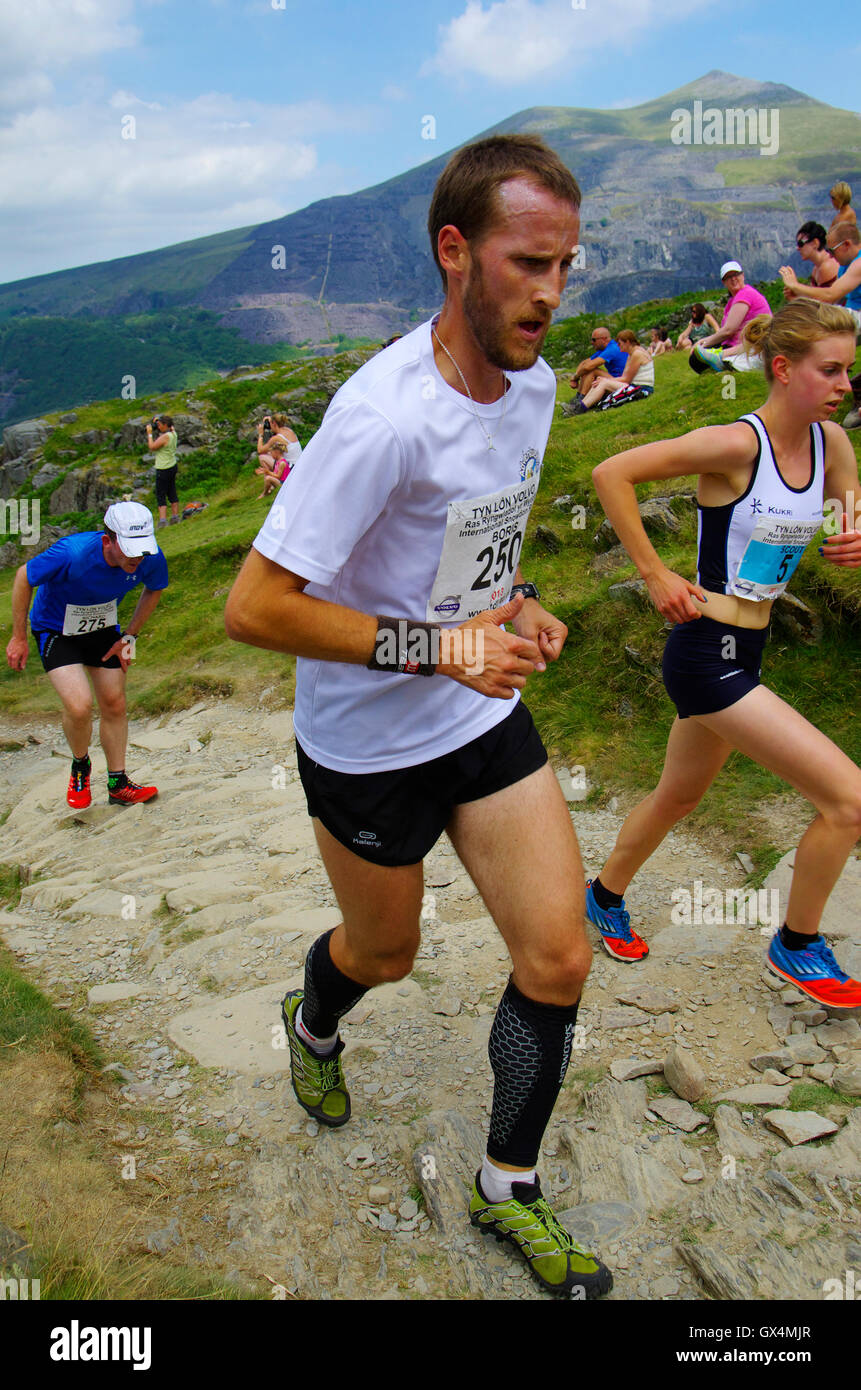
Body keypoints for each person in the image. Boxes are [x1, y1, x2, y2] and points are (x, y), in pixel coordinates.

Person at [224, 133, 613, 1300]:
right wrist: (438, 645)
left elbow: (475, 553)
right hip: (366, 745)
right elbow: (252, 608)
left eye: (567, 265)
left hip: (476, 716)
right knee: (384, 953)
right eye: (526, 263)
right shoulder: (381, 416)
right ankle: (315, 1016)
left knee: (557, 953)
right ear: (456, 252)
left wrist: (519, 602)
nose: (549, 291)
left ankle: (509, 1186)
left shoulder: (536, 385)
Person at [584, 301, 861, 1011]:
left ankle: (602, 896)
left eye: (847, 371)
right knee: (848, 801)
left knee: (678, 794)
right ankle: (796, 944)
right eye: (828, 371)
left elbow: (842, 521)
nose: (842, 385)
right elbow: (611, 472)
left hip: (751, 645)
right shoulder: (737, 445)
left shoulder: (832, 445)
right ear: (780, 368)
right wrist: (653, 573)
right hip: (707, 651)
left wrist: (850, 536)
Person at [5, 502, 168, 809]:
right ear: (108, 541)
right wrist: (18, 636)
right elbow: (23, 577)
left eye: (143, 550)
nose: (138, 558)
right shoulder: (72, 552)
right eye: (131, 550)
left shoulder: (149, 557)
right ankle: (80, 764)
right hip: (56, 629)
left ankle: (118, 783)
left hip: (102, 628)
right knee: (79, 707)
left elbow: (155, 587)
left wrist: (130, 636)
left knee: (114, 702)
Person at [779, 221, 861, 334]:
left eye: (831, 250)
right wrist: (800, 297)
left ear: (846, 244)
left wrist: (796, 286)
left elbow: (831, 294)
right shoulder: (844, 266)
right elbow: (831, 302)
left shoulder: (859, 264)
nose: (830, 255)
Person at [695, 262, 772, 355]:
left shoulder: (745, 294)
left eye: (735, 274)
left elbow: (728, 331)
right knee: (698, 357)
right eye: (728, 277)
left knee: (697, 359)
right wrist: (704, 342)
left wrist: (703, 344)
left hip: (749, 345)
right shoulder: (733, 301)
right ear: (724, 282)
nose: (733, 279)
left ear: (742, 275)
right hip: (740, 344)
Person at [576, 329, 654, 412]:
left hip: (642, 388)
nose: (618, 345)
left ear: (627, 342)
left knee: (603, 382)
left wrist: (606, 380)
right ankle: (580, 405)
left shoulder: (636, 354)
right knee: (601, 381)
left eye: (620, 343)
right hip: (636, 386)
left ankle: (580, 408)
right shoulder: (632, 353)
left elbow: (627, 379)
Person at [564, 325, 628, 411]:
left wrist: (575, 378)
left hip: (623, 382)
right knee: (587, 371)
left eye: (594, 340)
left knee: (591, 370)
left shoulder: (612, 349)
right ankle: (577, 400)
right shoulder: (604, 349)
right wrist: (575, 378)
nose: (591, 342)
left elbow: (588, 367)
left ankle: (580, 402)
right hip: (616, 380)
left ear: (604, 339)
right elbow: (584, 363)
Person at [146, 416, 179, 528]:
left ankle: (163, 521)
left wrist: (150, 434)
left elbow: (152, 447)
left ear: (165, 425)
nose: (158, 427)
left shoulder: (165, 437)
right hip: (172, 466)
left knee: (161, 494)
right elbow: (171, 426)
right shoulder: (173, 433)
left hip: (163, 468)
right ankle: (175, 517)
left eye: (160, 425)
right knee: (172, 491)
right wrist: (157, 420)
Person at [795, 222, 839, 288]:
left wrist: (795, 286)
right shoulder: (817, 268)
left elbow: (822, 296)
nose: (798, 248)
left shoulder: (826, 267)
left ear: (815, 243)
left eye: (801, 244)